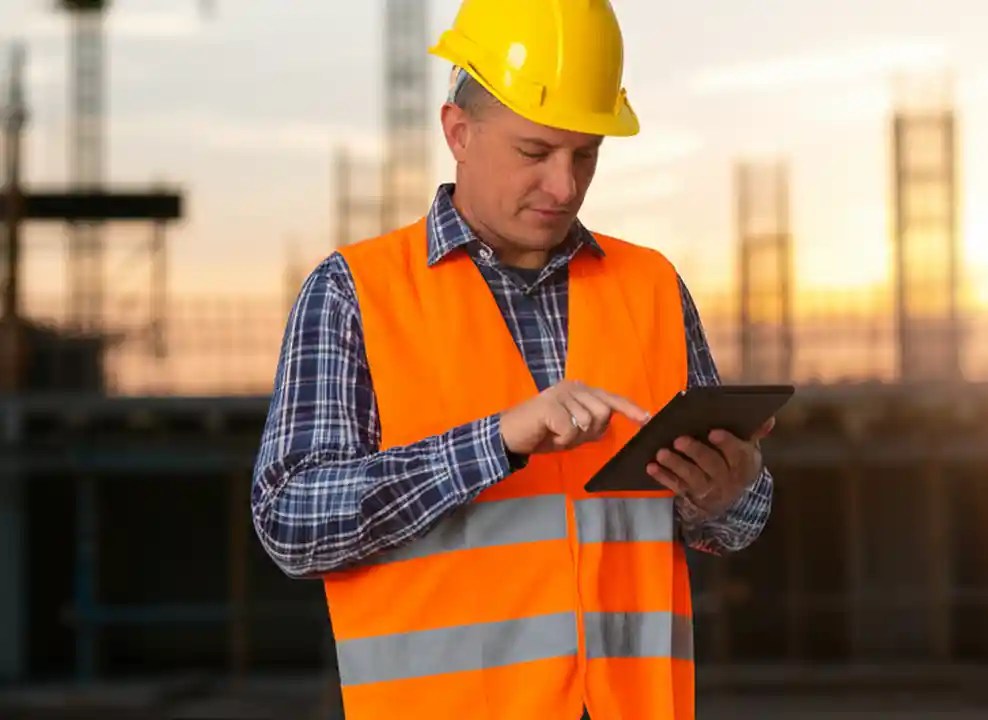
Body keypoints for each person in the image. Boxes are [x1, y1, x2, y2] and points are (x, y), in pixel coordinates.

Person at [251, 1, 775, 717]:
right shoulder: (354, 293)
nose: (564, 186)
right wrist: (494, 441)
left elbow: (727, 527)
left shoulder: (650, 286)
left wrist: (729, 492)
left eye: (584, 154)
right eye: (535, 152)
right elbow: (291, 524)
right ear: (457, 132)